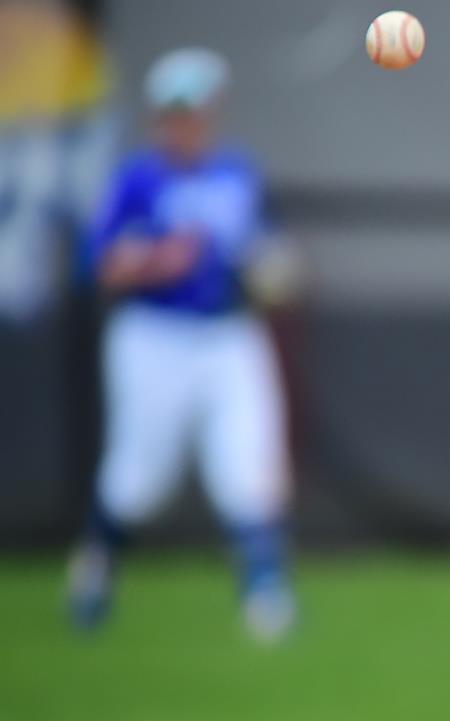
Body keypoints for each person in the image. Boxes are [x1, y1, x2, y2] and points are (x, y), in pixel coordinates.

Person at [66, 47, 297, 642]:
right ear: (159, 118)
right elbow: (98, 264)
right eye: (176, 112)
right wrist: (152, 261)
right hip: (155, 337)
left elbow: (261, 252)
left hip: (227, 334)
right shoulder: (139, 180)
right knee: (140, 479)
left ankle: (265, 597)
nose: (187, 123)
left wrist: (274, 271)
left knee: (250, 465)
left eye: (195, 110)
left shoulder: (237, 172)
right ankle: (96, 571)